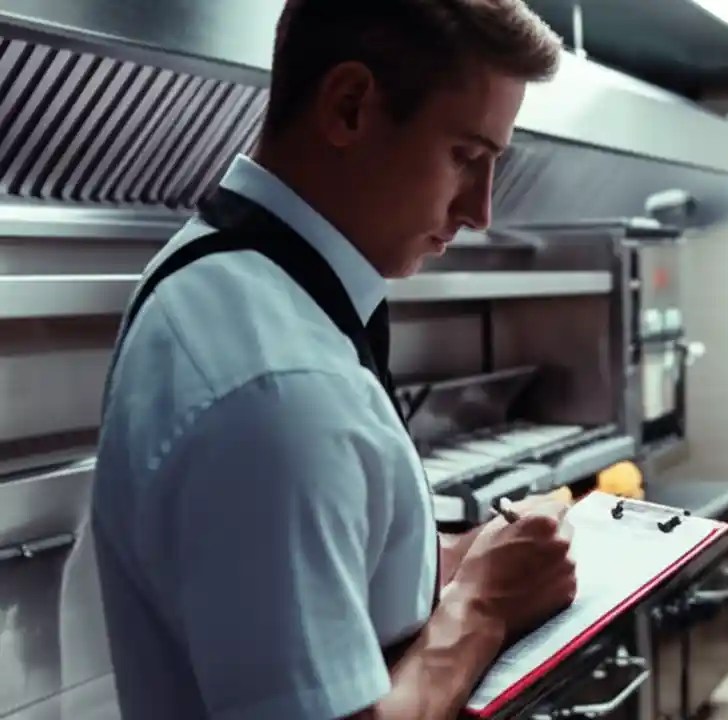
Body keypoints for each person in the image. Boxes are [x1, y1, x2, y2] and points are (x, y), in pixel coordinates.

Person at [90, 3, 576, 720]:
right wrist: (485, 607)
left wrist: (469, 555)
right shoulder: (278, 394)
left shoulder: (219, 278)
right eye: (466, 157)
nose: (481, 211)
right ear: (350, 107)